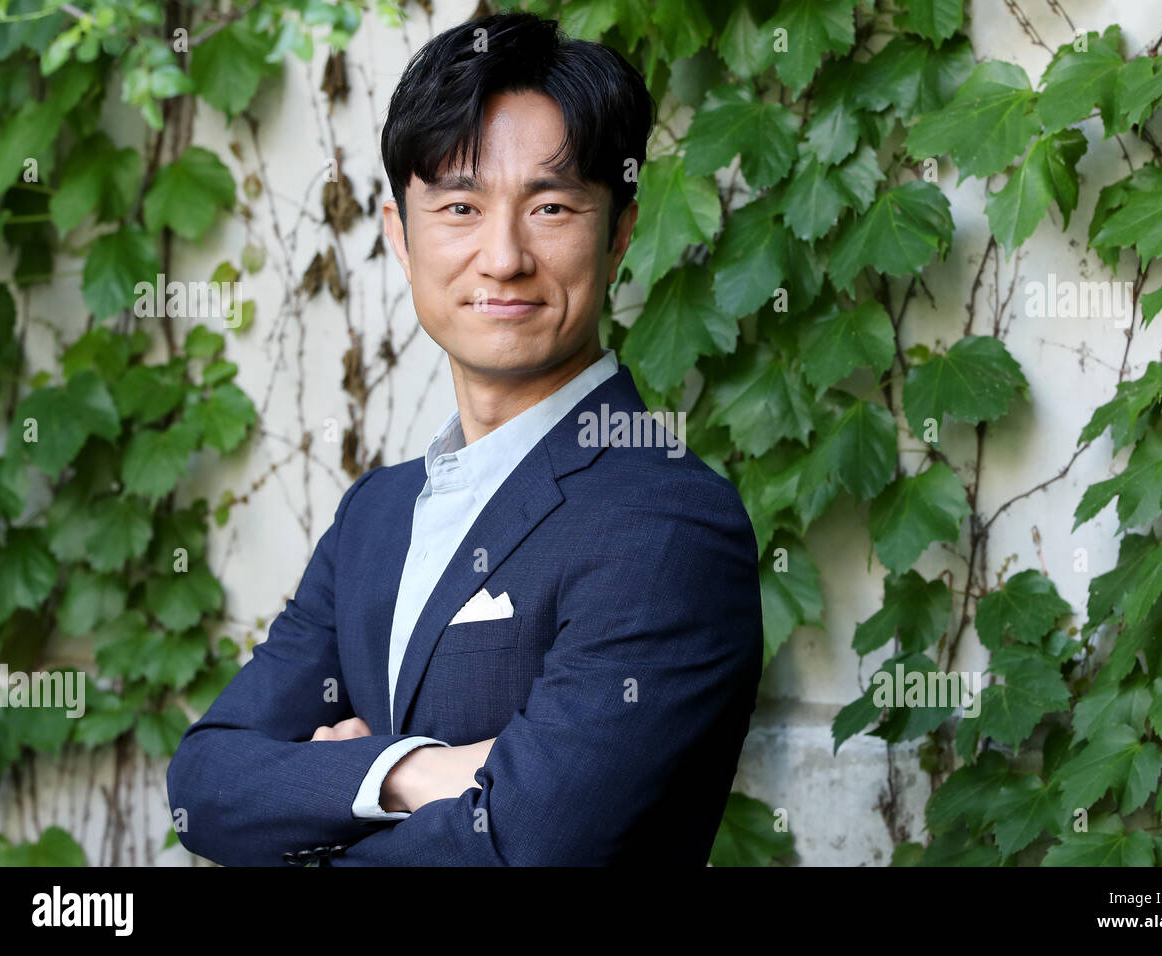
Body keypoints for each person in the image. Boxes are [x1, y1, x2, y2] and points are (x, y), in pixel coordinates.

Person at [166, 9, 763, 866]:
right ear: (400, 238)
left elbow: (524, 845)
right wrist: (408, 774)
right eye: (459, 205)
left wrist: (315, 802)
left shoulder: (665, 524)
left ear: (620, 232)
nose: (503, 256)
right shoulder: (374, 515)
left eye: (551, 205)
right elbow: (204, 783)